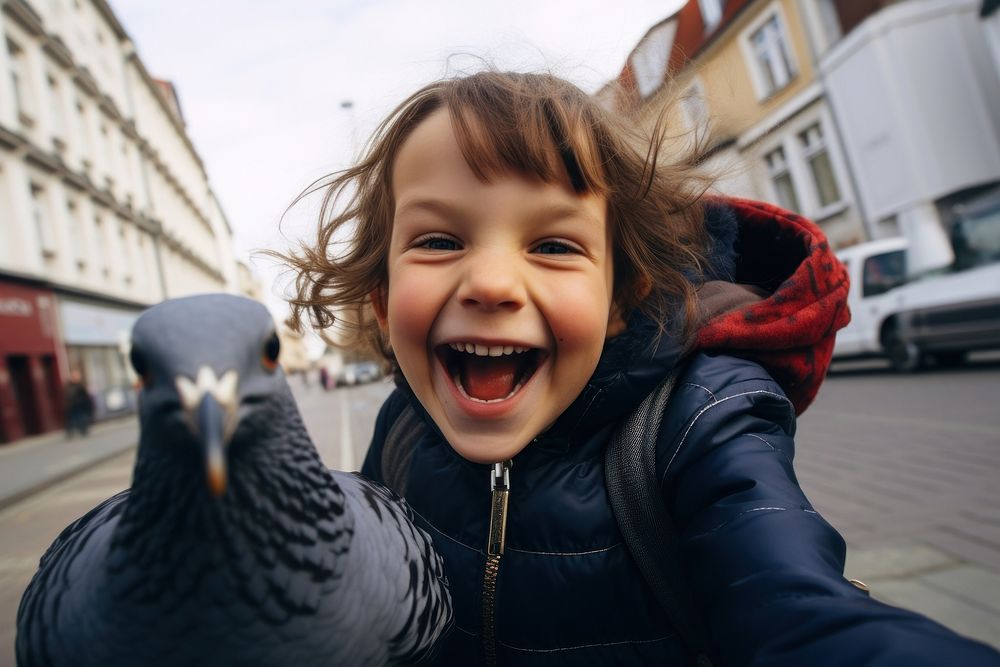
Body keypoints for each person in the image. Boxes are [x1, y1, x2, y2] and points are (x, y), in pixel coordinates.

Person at [283, 71, 1000, 665]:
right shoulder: (403, 427)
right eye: (440, 240)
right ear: (382, 301)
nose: (492, 284)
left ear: (620, 299)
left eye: (554, 246)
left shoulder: (698, 423)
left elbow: (795, 605)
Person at [64, 370, 94, 438]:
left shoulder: (80, 386)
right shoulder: (69, 386)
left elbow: (85, 396)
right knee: (72, 419)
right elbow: (67, 396)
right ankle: (70, 432)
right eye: (74, 376)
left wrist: (87, 403)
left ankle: (83, 429)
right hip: (73, 405)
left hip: (81, 405)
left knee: (82, 417)